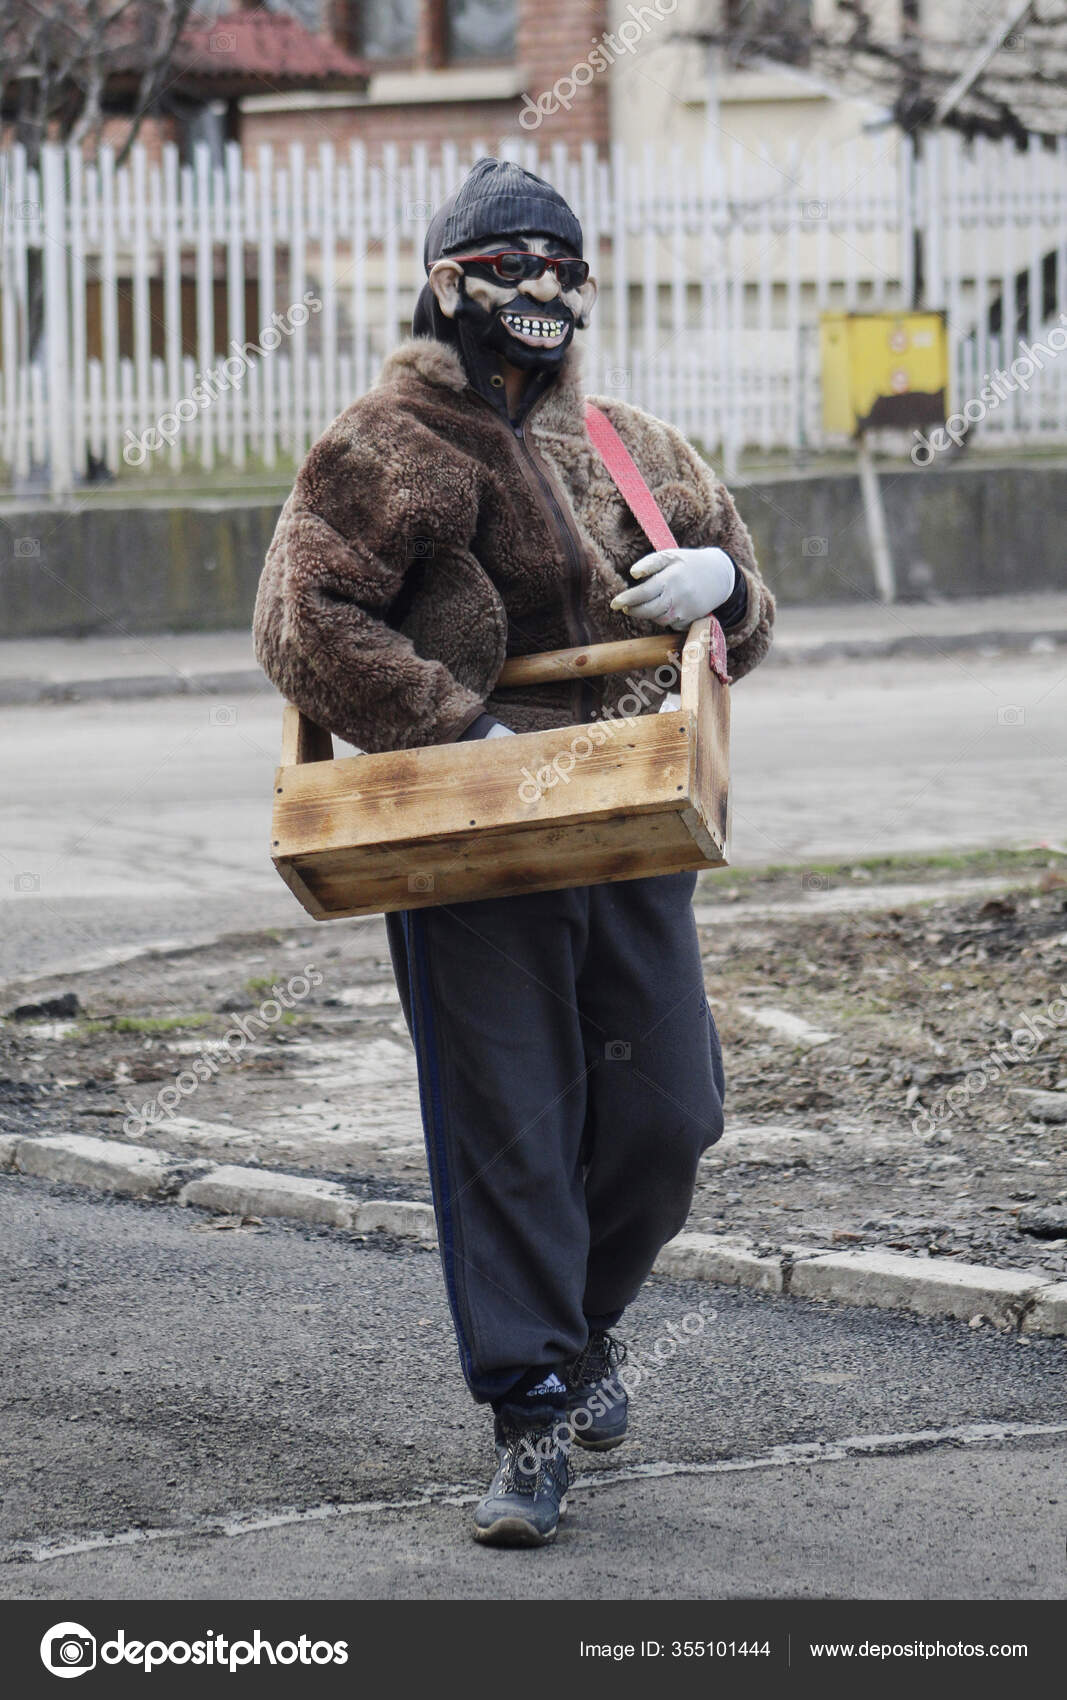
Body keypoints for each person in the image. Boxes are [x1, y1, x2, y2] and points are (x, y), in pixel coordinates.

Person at [253, 157, 775, 1548]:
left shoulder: (630, 445)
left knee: (671, 1114)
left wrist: (728, 588)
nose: (543, 286)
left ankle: (585, 1328)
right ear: (446, 281)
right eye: (509, 263)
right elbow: (300, 625)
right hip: (466, 834)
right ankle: (532, 1409)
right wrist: (456, 724)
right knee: (513, 1130)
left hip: (627, 814)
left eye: (564, 262)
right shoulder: (386, 441)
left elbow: (750, 606)